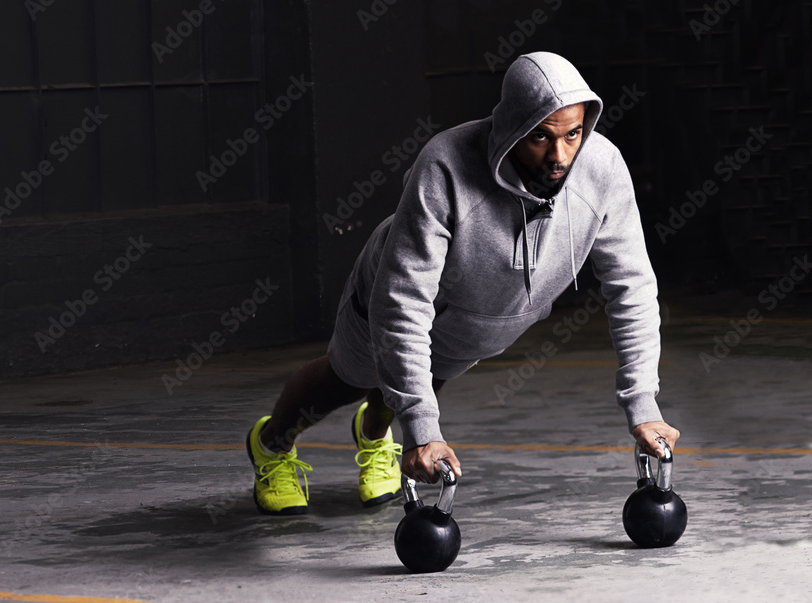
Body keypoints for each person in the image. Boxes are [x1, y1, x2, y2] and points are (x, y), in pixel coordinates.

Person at [245, 51, 681, 515]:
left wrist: (643, 404)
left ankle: (374, 436)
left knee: (419, 383)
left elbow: (632, 286)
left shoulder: (603, 168)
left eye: (572, 134)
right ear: (512, 127)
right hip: (396, 295)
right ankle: (271, 443)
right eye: (540, 136)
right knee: (349, 380)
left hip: (482, 321)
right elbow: (404, 304)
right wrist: (422, 432)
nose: (560, 156)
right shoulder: (445, 165)